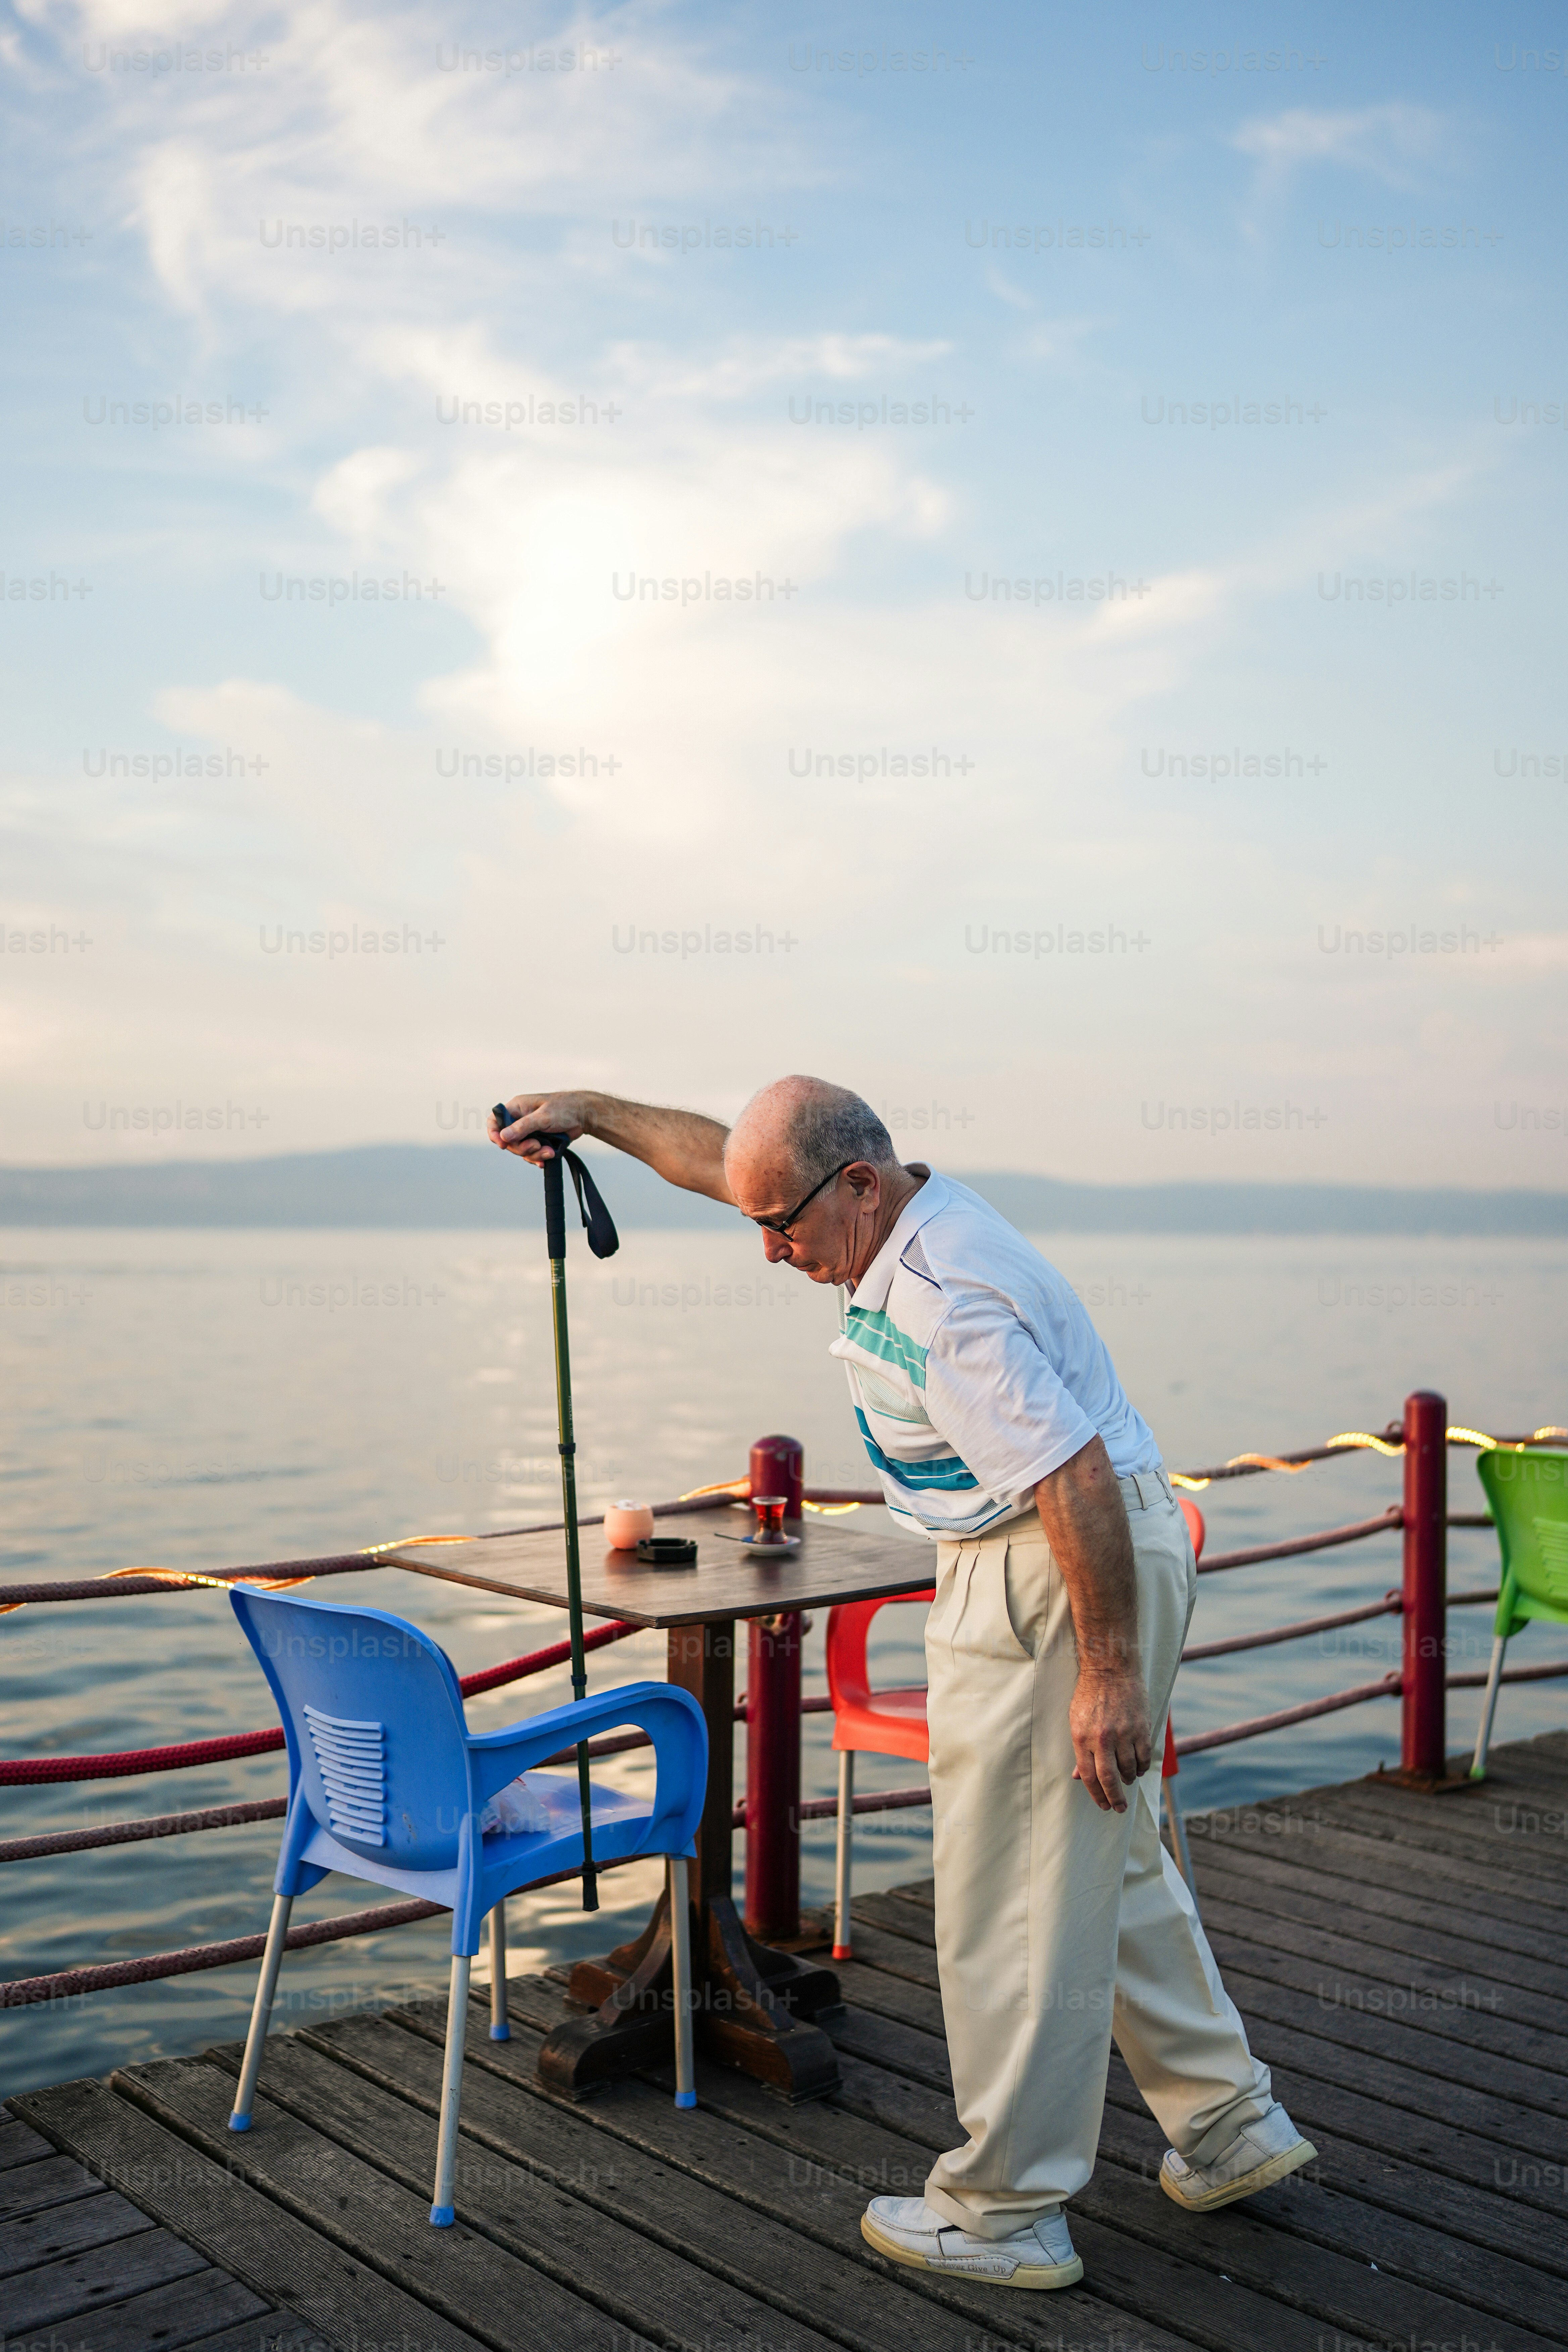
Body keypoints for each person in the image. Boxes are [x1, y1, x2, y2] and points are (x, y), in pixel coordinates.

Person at [491, 1075, 1314, 2294]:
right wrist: (589, 1114)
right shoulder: (894, 1213)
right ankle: (1229, 2125)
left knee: (1013, 1897)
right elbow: (723, 1159)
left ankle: (1006, 2212)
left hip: (1052, 1566)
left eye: (785, 1228)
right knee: (1109, 1860)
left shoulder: (940, 1300)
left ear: (859, 1186)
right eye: (757, 1223)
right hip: (1068, 1550)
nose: (770, 1252)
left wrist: (1106, 1676)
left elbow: (1072, 1473)